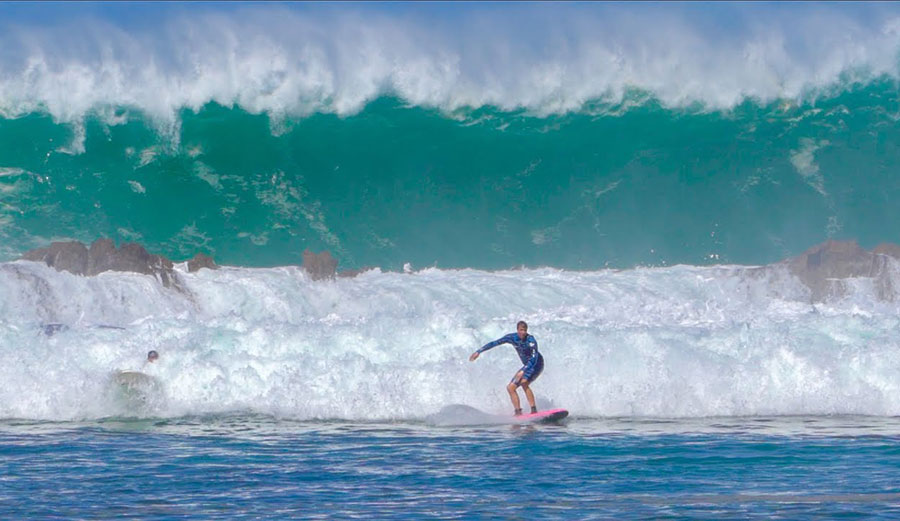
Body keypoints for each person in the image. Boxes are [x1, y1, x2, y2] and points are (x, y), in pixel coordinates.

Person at [469, 320, 544, 416]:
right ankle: (518, 412)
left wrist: (523, 371)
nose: (523, 332)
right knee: (510, 388)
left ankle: (534, 410)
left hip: (537, 364)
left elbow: (534, 358)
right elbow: (495, 343)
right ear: (517, 330)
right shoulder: (512, 338)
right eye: (521, 330)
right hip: (526, 367)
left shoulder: (531, 340)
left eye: (525, 330)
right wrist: (478, 351)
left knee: (524, 382)